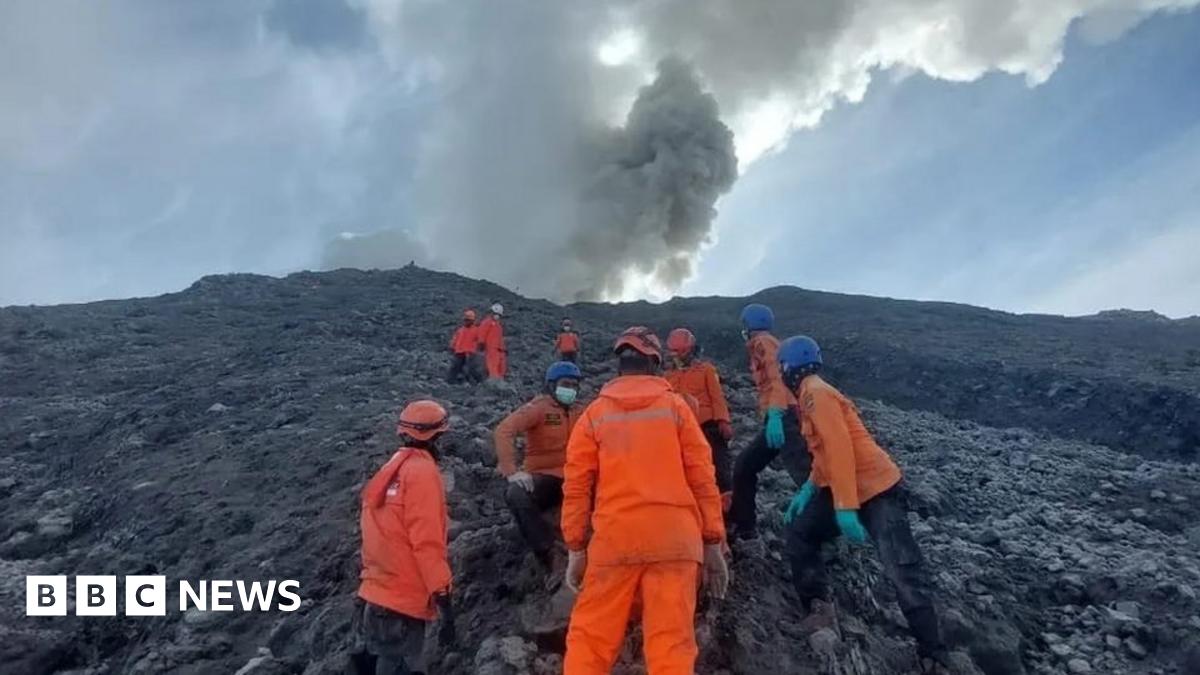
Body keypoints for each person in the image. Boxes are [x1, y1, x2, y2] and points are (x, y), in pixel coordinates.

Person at [561, 326, 729, 675]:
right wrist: (713, 542)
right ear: (655, 363)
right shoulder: (677, 409)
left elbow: (576, 486)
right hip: (675, 540)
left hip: (615, 539)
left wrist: (576, 548)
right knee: (671, 645)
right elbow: (702, 477)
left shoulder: (594, 415)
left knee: (590, 642)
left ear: (619, 365)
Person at [777, 336, 950, 672]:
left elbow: (840, 448)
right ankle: (819, 612)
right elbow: (824, 454)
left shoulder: (815, 393)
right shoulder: (811, 394)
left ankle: (934, 653)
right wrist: (809, 488)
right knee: (801, 532)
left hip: (876, 488)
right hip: (850, 485)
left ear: (788, 367)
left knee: (902, 568)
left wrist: (844, 506)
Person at [357, 400, 456, 675]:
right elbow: (427, 544)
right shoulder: (423, 474)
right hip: (403, 602)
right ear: (437, 436)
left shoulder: (391, 470)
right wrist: (444, 598)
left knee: (387, 664)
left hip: (377, 595)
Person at [493, 361, 584, 572]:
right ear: (551, 385)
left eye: (574, 385)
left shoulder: (582, 411)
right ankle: (548, 554)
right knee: (516, 493)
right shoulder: (538, 409)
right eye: (565, 384)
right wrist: (511, 472)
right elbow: (503, 430)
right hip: (547, 478)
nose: (570, 389)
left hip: (578, 479)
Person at [729, 303, 809, 540]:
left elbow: (777, 379)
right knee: (744, 467)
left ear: (748, 325)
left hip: (784, 417)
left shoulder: (764, 343)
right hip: (779, 418)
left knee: (805, 475)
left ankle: (824, 527)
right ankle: (744, 526)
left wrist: (775, 413)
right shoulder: (762, 344)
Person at [664, 327, 735, 509]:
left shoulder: (706, 370)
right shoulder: (669, 377)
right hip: (680, 430)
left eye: (681, 352)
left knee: (719, 466)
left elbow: (717, 397)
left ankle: (727, 507)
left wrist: (723, 421)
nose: (678, 356)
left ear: (691, 350)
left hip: (707, 425)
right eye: (675, 352)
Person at [447, 309, 482, 384]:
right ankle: (451, 382)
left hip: (470, 353)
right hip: (459, 352)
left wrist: (477, 349)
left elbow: (480, 341)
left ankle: (478, 382)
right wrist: (452, 347)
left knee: (472, 369)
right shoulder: (460, 330)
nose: (466, 321)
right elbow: (455, 339)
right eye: (466, 320)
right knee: (455, 367)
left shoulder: (477, 330)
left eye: (468, 320)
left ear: (473, 321)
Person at [476, 303, 507, 380]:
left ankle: (500, 380)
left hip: (499, 349)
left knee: (501, 366)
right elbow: (482, 333)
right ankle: (494, 381)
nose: (497, 316)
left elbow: (499, 337)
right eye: (496, 314)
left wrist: (503, 348)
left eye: (499, 315)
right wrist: (481, 343)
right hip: (491, 348)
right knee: (493, 365)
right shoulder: (487, 322)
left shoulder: (498, 325)